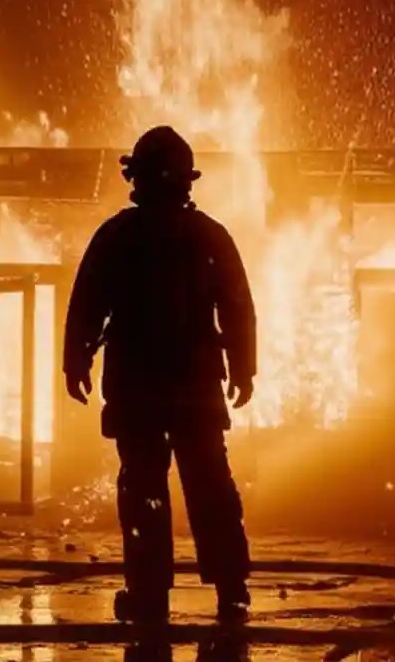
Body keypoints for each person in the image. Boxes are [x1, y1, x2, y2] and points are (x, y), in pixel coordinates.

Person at [63, 125, 257, 624]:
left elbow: (87, 305)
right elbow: (237, 309)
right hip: (193, 389)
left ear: (138, 177)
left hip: (138, 391)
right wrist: (243, 368)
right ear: (186, 182)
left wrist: (77, 360)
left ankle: (149, 594)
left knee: (145, 490)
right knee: (210, 484)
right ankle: (231, 589)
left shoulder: (117, 237)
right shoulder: (209, 236)